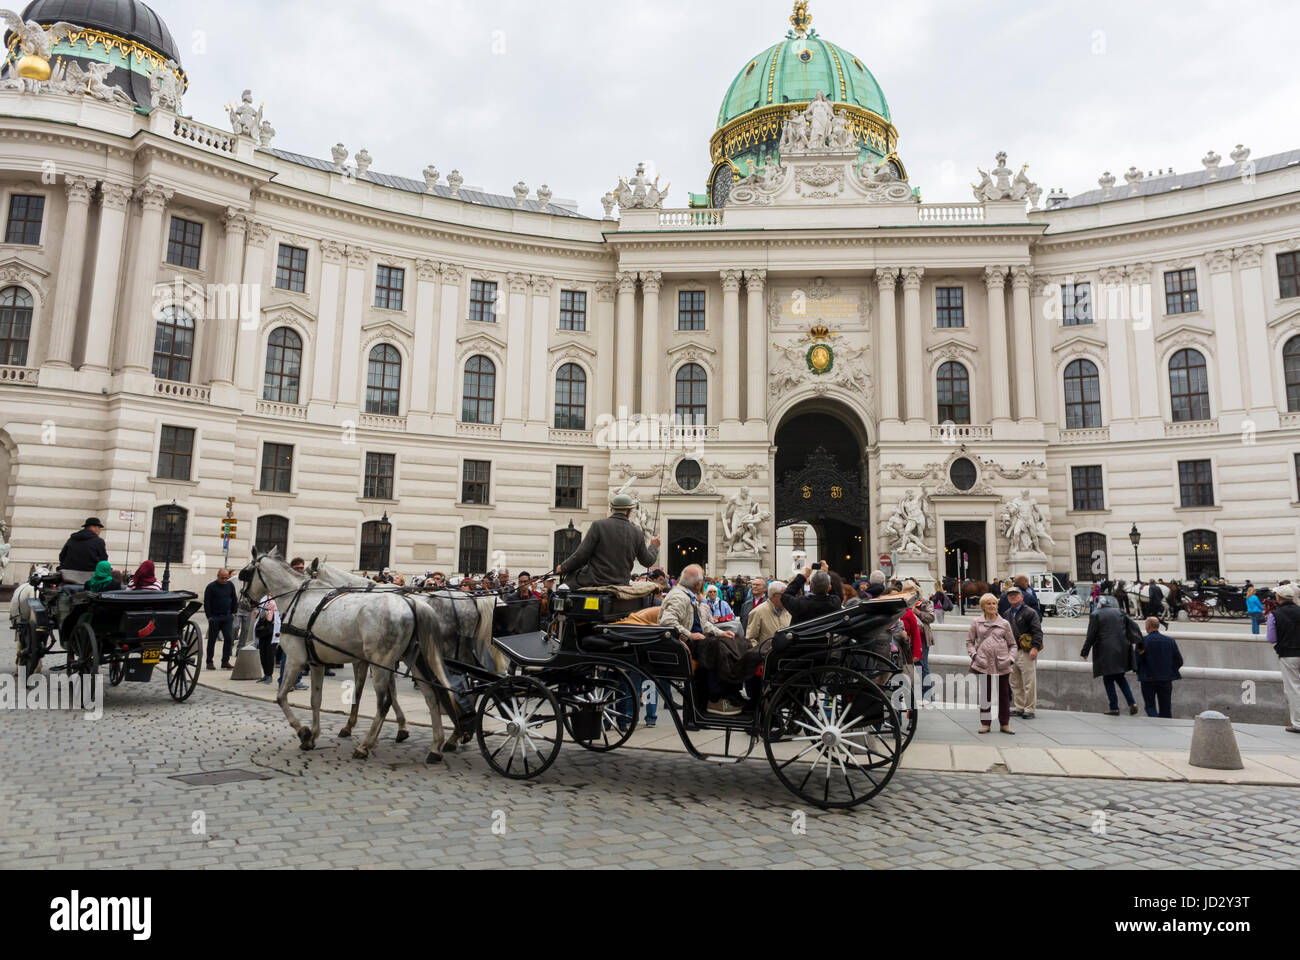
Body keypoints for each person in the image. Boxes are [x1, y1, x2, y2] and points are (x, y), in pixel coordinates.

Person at [659, 564, 753, 717]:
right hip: (686, 643)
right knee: (718, 648)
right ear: (698, 584)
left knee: (739, 642)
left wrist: (721, 632)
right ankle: (716, 697)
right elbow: (667, 622)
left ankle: (733, 691)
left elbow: (703, 623)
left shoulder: (689, 595)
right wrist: (689, 634)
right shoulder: (679, 596)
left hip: (698, 639)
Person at [557, 495, 660, 588]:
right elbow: (647, 561)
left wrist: (563, 567)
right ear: (629, 512)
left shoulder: (598, 526)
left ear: (611, 509)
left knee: (565, 585)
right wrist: (654, 546)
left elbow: (581, 555)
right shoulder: (637, 532)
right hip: (621, 583)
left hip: (594, 580)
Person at [1082, 595, 1141, 716]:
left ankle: (1114, 707)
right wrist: (1139, 643)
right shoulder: (1119, 612)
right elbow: (1134, 626)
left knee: (1108, 679)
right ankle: (1132, 702)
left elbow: (1091, 635)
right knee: (1120, 677)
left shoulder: (1096, 615)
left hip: (1105, 651)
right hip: (1121, 649)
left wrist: (1085, 651)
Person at [967, 593, 1016, 735]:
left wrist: (1010, 659)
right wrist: (975, 656)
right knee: (985, 695)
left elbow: (1013, 644)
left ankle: (1005, 723)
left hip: (1002, 662)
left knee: (1004, 694)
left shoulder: (1004, 623)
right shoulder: (976, 622)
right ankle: (985, 723)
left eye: (994, 603)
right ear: (982, 606)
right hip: (983, 662)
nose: (992, 606)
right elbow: (969, 642)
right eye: (988, 603)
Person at [1005, 586, 1044, 720]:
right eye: (1010, 595)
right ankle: (1019, 707)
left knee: (1029, 682)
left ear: (1021, 597)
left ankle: (1029, 709)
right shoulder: (1007, 613)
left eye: (1015, 595)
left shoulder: (1030, 612)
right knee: (1015, 682)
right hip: (1012, 651)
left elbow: (1037, 631)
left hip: (1026, 651)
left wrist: (1035, 648)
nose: (1012, 597)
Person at [1266, 583, 1300, 734]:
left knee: (1293, 689)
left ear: (1278, 598)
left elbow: (1271, 638)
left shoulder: (1275, 615)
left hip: (1288, 655)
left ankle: (1298, 723)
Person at [1136, 617, 1182, 718]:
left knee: (1149, 706)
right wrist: (1170, 671)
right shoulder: (1170, 641)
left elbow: (1137, 661)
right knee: (1166, 707)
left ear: (1148, 626)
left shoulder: (1142, 642)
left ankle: (1156, 722)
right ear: (1158, 626)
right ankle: (1165, 726)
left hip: (1148, 678)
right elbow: (1179, 661)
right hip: (1165, 679)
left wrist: (1140, 671)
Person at [204, 569, 239, 671]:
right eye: (222, 578)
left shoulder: (230, 585)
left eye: (226, 578)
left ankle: (225, 661)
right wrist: (209, 617)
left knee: (228, 638)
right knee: (212, 640)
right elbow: (207, 602)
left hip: (227, 617)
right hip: (215, 617)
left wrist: (233, 612)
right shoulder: (211, 587)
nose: (224, 580)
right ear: (218, 576)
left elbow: (234, 599)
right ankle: (209, 661)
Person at [58, 518, 109, 585]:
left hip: (68, 576)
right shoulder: (98, 541)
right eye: (99, 528)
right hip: (90, 576)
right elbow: (103, 560)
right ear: (93, 527)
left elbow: (61, 556)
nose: (99, 530)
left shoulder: (72, 539)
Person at [745, 580, 790, 648]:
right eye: (785, 594)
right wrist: (762, 653)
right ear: (775, 596)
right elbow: (750, 639)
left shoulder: (788, 611)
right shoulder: (758, 612)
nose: (788, 597)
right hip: (767, 656)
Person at [255, 593, 281, 684]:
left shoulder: (279, 597)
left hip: (273, 629)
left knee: (270, 653)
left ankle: (269, 675)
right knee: (262, 653)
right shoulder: (263, 598)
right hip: (263, 628)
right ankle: (266, 674)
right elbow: (259, 610)